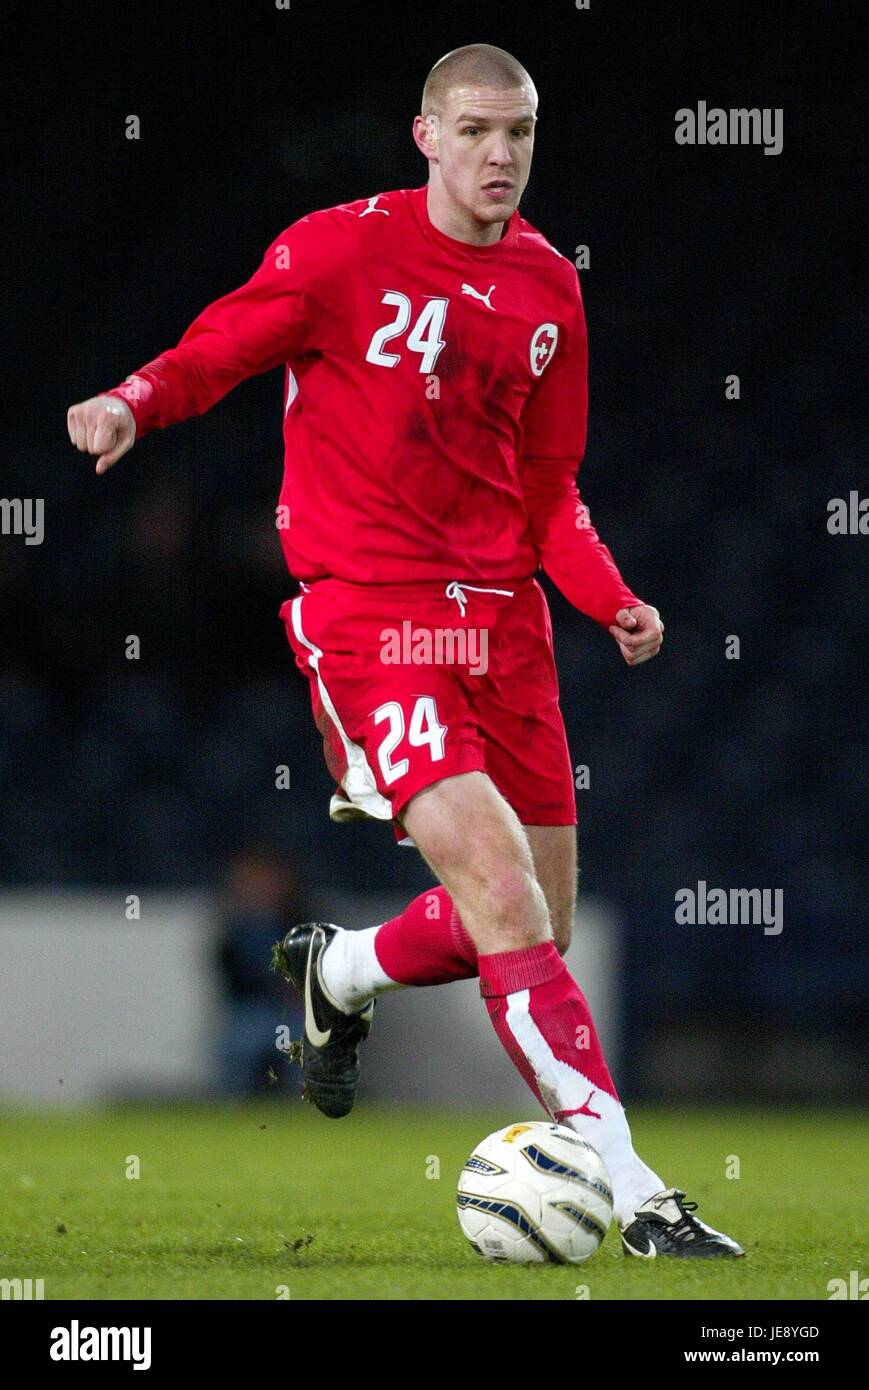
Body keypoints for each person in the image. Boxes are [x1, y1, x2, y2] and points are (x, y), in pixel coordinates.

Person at [67, 42, 742, 1258]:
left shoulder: (548, 288)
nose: (500, 157)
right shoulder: (338, 248)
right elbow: (221, 343)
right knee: (496, 889)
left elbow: (549, 487)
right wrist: (132, 399)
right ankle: (634, 1188)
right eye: (477, 132)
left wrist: (608, 597)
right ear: (424, 135)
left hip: (507, 627)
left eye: (520, 135)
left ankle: (342, 971)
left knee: (540, 915)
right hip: (375, 615)